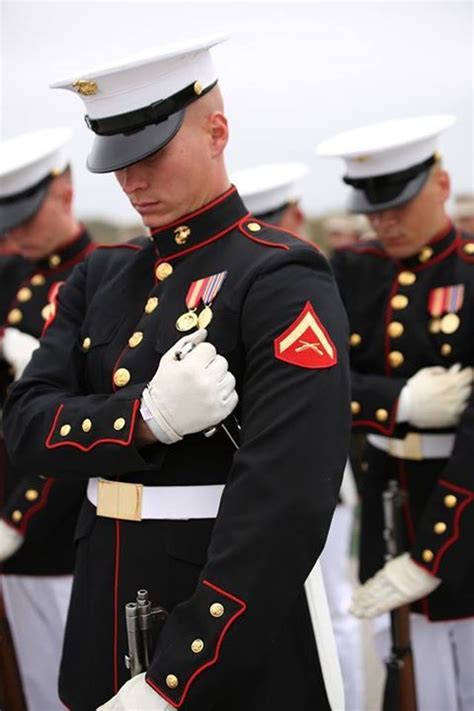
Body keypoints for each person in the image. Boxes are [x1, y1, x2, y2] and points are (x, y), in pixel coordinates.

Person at [4, 36, 350, 710]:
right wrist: (146, 417)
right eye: (119, 162)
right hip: (104, 611)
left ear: (217, 131)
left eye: (151, 154)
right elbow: (23, 424)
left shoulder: (278, 275)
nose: (132, 181)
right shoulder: (100, 276)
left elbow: (286, 498)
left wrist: (176, 678)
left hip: (225, 629)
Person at [317, 115, 474, 711]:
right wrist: (399, 402)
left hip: (461, 510)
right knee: (405, 678)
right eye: (372, 207)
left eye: (398, 204)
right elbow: (316, 378)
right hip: (387, 501)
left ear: (440, 183)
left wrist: (436, 551)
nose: (382, 220)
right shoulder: (351, 270)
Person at [233, 161, 364, 710]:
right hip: (262, 477)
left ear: (297, 214)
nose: (264, 231)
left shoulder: (322, 276)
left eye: (273, 218)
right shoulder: (249, 279)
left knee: (333, 612)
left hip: (325, 471)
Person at [0, 128, 95, 710]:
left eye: (26, 216)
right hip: (11, 508)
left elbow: (79, 418)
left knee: (69, 687)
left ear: (64, 192)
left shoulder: (103, 274)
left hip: (60, 527)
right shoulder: (11, 273)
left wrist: (17, 519)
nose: (14, 232)